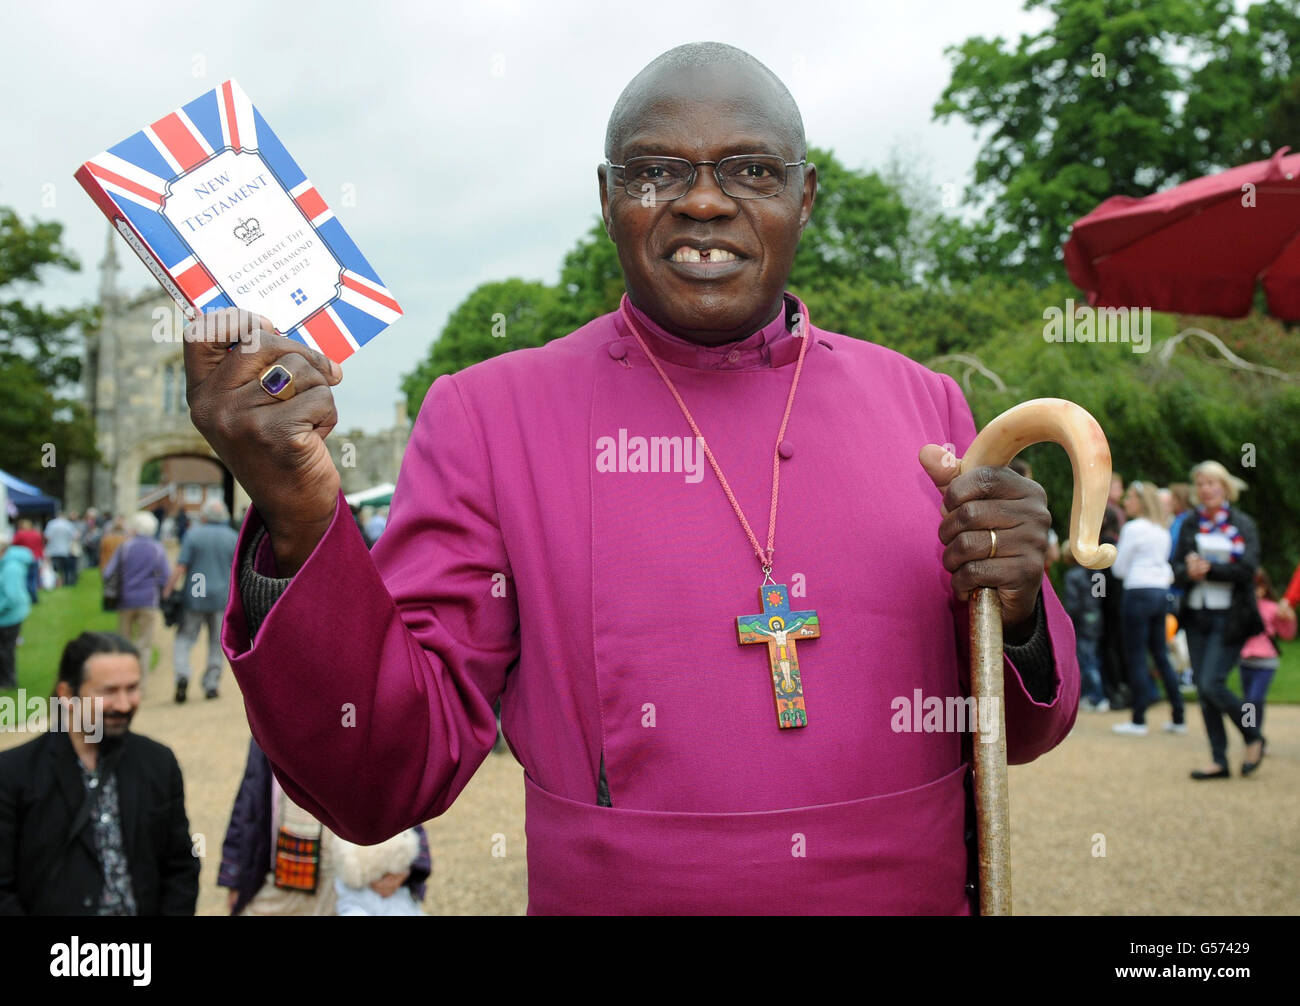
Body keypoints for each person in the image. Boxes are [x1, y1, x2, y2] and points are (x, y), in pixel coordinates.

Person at [186, 43, 1079, 915]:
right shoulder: (491, 418)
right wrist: (298, 512)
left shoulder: (925, 405)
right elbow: (385, 774)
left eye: (751, 172)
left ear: (805, 198)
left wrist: (1022, 609)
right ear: (607, 197)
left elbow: (1023, 729)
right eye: (655, 171)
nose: (702, 201)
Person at [0, 632, 199, 914]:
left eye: (132, 688)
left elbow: (181, 866)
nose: (124, 704)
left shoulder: (158, 762)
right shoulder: (13, 774)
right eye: (108, 691)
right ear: (67, 695)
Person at [218, 738, 431, 916]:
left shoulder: (361, 717)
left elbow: (397, 790)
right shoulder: (267, 723)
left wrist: (410, 865)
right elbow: (250, 801)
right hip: (279, 884)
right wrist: (235, 876)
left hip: (341, 885)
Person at [1171, 461, 1264, 779]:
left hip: (1232, 617)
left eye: (1211, 483)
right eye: (1200, 483)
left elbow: (1248, 569)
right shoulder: (1189, 524)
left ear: (1225, 487)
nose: (1205, 489)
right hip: (1197, 615)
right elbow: (1175, 568)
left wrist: (1212, 568)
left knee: (1212, 684)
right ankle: (1219, 760)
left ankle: (1253, 736)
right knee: (1204, 688)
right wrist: (1189, 572)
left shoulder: (1244, 523)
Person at [1111, 481, 1184, 735]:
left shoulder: (1132, 528)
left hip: (1138, 591)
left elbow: (1119, 568)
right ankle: (1178, 716)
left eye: (1130, 497)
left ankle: (1139, 718)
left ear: (1141, 501)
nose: (1126, 502)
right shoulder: (1162, 530)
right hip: (1160, 592)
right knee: (1161, 654)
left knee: (1136, 656)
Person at [165, 499, 238, 702]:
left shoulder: (193, 535)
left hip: (196, 593)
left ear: (204, 516)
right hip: (221, 596)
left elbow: (181, 566)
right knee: (216, 641)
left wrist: (168, 590)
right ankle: (212, 683)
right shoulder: (233, 537)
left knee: (185, 638)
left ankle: (182, 675)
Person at [102, 512, 172, 673]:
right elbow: (165, 576)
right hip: (148, 600)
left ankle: (124, 679)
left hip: (125, 600)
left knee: (123, 644)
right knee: (144, 645)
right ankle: (140, 685)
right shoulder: (157, 548)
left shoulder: (125, 547)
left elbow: (108, 573)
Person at [1235, 569, 1295, 734]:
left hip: (1266, 663)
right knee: (1248, 702)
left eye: (1257, 587)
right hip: (1245, 661)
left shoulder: (1272, 608)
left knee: (1255, 699)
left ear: (1264, 588)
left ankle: (1255, 734)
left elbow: (1287, 634)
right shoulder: (1240, 607)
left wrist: (1290, 619)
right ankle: (1250, 735)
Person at [1061, 542, 1107, 711]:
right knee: (1093, 657)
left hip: (1081, 620)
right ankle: (1096, 695)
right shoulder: (1098, 574)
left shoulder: (1072, 576)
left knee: (1086, 660)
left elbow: (1072, 604)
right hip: (1096, 618)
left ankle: (1097, 696)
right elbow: (1101, 597)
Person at [0, 533, 36, 689]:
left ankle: (8, 682)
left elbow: (12, 597)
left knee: (5, 650)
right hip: (9, 614)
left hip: (9, 616)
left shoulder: (10, 568)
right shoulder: (8, 563)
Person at [11, 519, 43, 604]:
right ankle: (34, 598)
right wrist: (42, 557)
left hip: (23, 559)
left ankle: (27, 598)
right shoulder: (36, 534)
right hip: (35, 558)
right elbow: (40, 546)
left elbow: (12, 544)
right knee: (33, 579)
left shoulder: (20, 534)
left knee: (24, 579)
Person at [42, 511, 78, 587]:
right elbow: (75, 536)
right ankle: (67, 582)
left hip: (53, 550)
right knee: (66, 569)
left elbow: (46, 537)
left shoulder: (51, 524)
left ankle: (58, 583)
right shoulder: (68, 524)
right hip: (66, 550)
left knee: (56, 569)